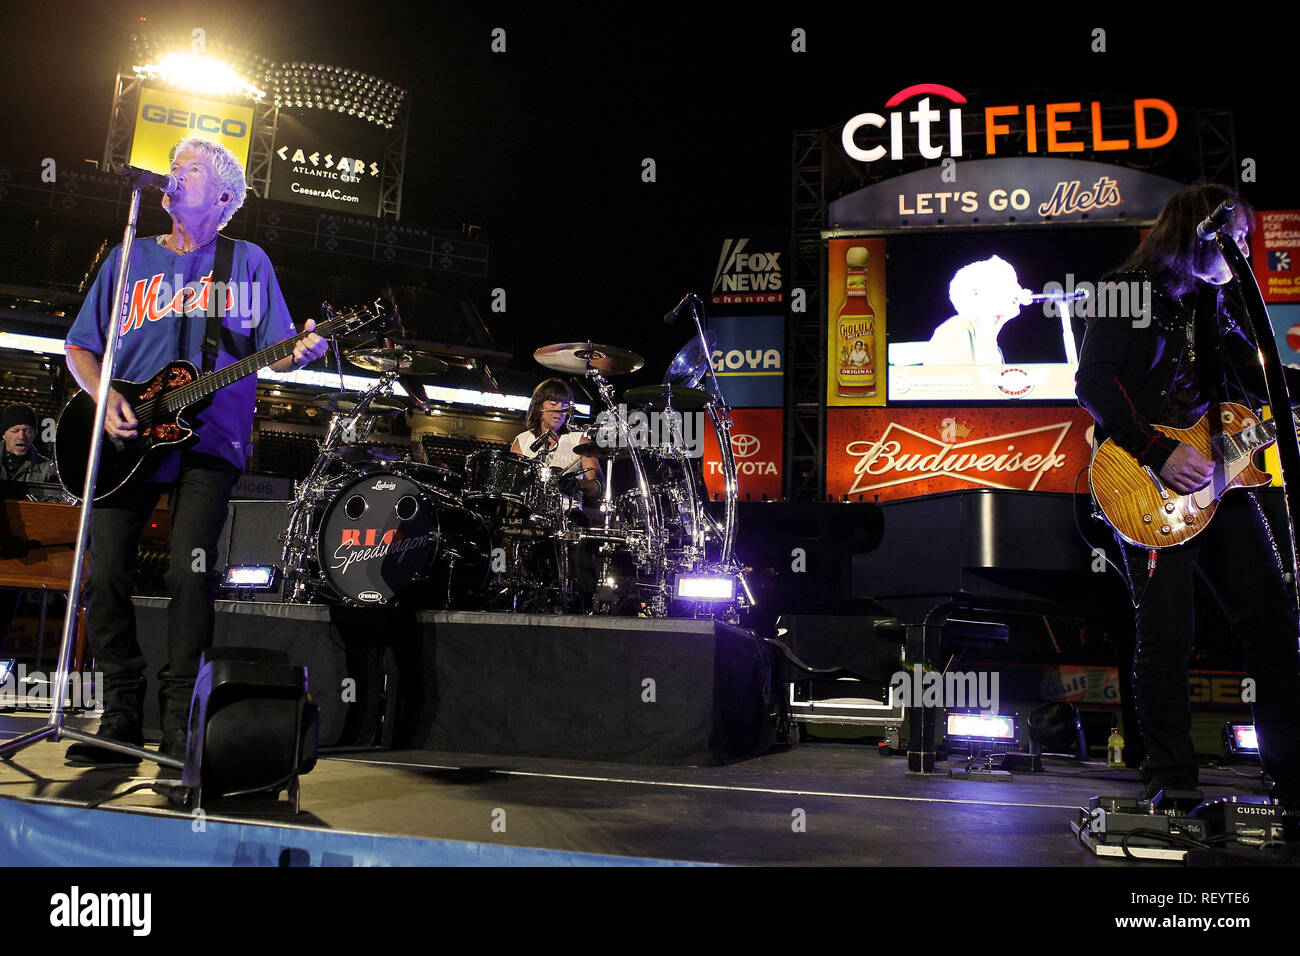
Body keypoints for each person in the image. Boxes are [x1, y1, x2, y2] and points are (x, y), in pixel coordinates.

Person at [62, 137, 328, 764]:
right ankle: (120, 718)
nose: (175, 176)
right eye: (174, 168)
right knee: (105, 576)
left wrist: (306, 348)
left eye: (191, 169)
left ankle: (181, 724)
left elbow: (282, 348)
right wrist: (105, 399)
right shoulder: (129, 256)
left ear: (226, 196)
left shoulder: (249, 261)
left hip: (210, 442)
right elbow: (80, 348)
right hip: (123, 438)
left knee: (190, 573)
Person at [1075, 182, 1300, 804]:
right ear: (1203, 233)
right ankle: (1171, 784)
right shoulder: (1128, 294)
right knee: (1167, 633)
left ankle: (1292, 777)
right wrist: (1159, 452)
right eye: (1238, 239)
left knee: (1273, 623)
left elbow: (1260, 383)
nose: (1247, 252)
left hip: (1220, 479)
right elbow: (1092, 381)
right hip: (1145, 480)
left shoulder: (1214, 306)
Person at [509, 378, 602, 501]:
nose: (559, 410)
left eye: (564, 405)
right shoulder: (521, 442)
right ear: (538, 406)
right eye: (553, 404)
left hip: (568, 514)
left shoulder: (580, 441)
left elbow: (597, 486)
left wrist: (579, 484)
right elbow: (511, 485)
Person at [926, 255, 1026, 365]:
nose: (1018, 289)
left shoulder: (990, 341)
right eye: (1007, 284)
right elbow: (957, 379)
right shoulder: (956, 328)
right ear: (976, 293)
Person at [0, 403, 60, 497]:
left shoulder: (48, 470)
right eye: (15, 431)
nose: (21, 436)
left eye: (27, 431)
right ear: (4, 434)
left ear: (35, 434)